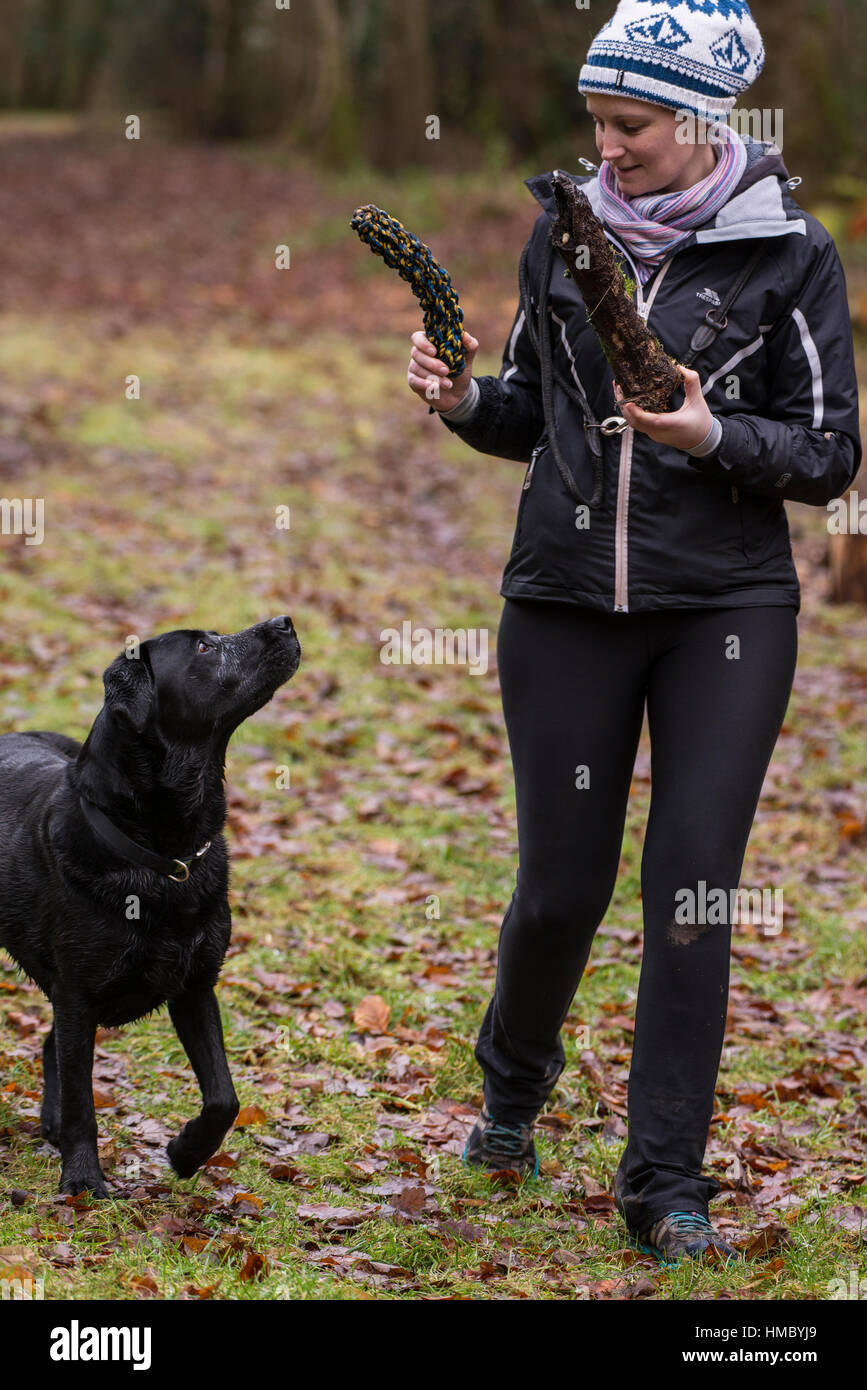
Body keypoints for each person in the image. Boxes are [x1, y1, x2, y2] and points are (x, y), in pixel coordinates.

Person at [406, 0, 861, 1264]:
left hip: (725, 609)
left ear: (701, 120)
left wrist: (711, 434)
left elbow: (830, 458)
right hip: (562, 605)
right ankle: (512, 1089)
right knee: (561, 890)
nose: (606, 149)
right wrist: (460, 401)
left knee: (693, 893)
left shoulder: (793, 255)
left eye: (633, 127)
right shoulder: (565, 237)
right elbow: (531, 415)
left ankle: (665, 1186)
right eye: (597, 124)